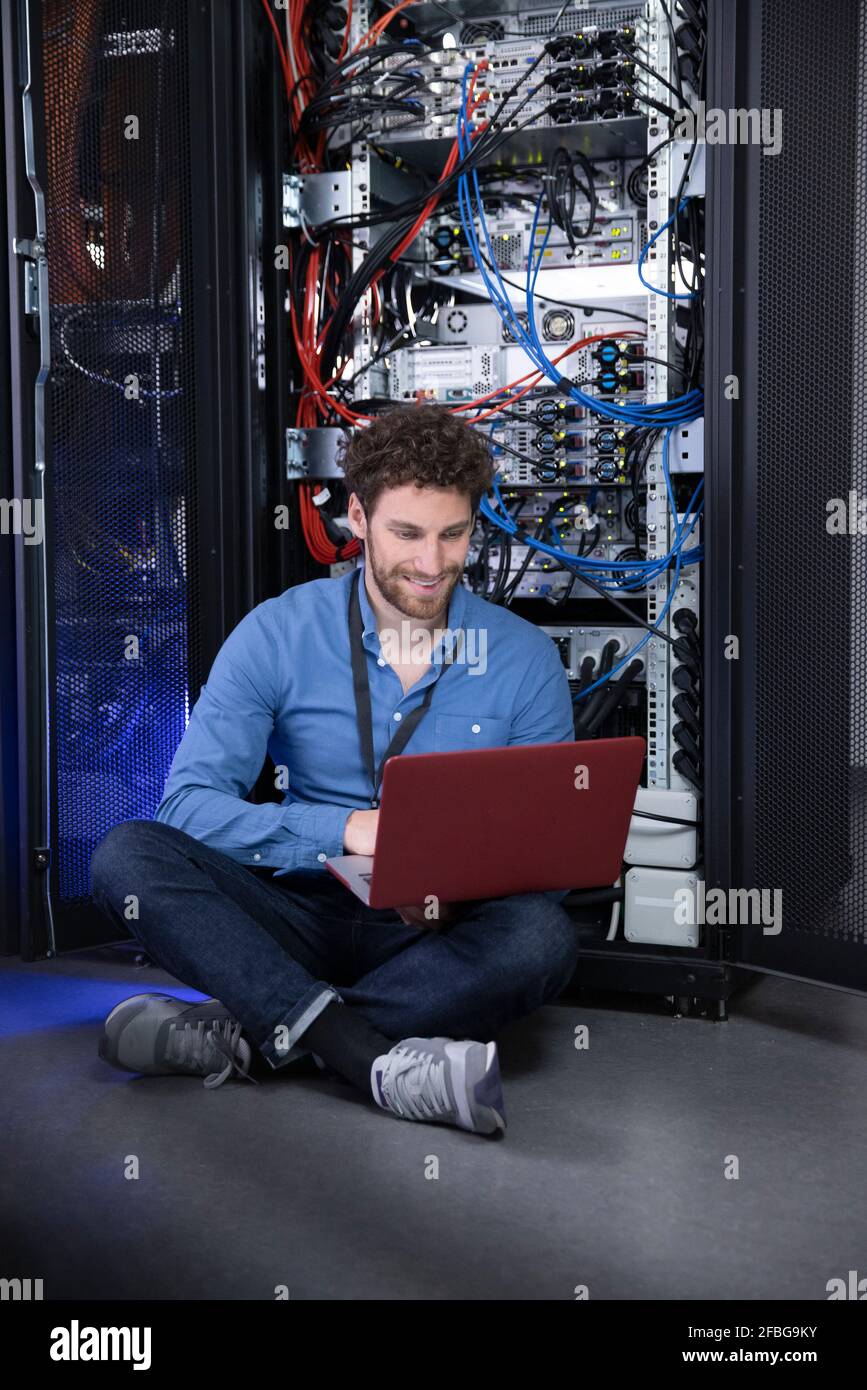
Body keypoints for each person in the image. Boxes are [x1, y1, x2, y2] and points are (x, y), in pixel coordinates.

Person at [91, 404, 580, 1137]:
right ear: (357, 516)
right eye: (406, 534)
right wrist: (347, 829)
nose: (430, 563)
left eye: (453, 535)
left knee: (539, 939)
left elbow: (551, 854)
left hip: (428, 933)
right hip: (296, 906)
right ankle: (369, 1058)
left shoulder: (522, 657)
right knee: (126, 856)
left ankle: (260, 1025)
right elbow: (188, 807)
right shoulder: (277, 632)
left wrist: (453, 885)